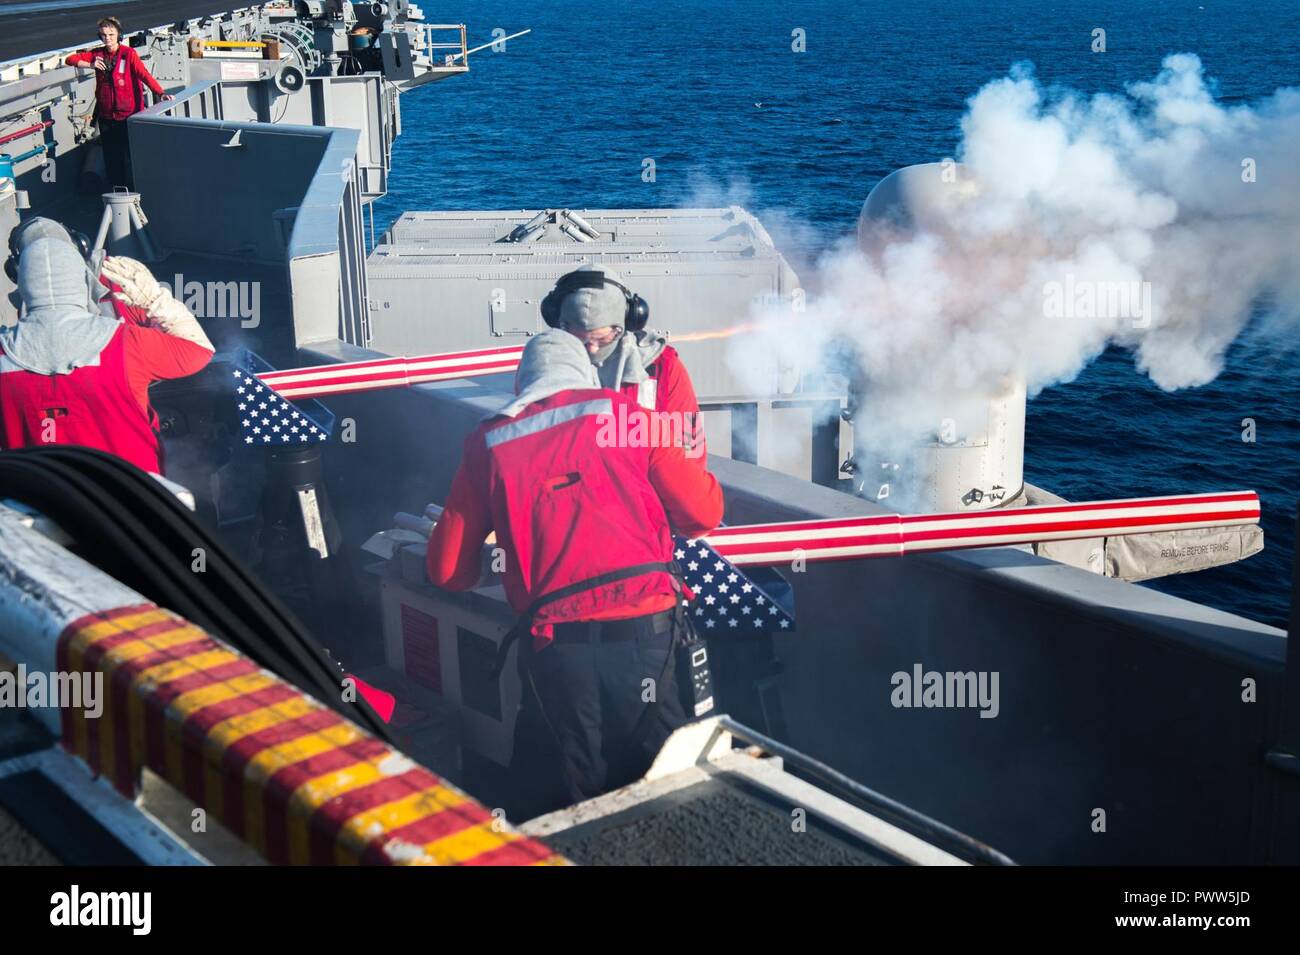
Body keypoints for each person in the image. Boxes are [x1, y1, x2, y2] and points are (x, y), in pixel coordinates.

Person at [426, 327, 723, 811]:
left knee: (574, 798)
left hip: (558, 656)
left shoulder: (490, 440)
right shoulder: (631, 418)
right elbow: (703, 515)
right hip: (649, 644)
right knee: (674, 788)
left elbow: (447, 571)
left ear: (523, 383)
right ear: (585, 375)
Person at [0, 218, 213, 474]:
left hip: (41, 505)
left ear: (21, 279)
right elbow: (197, 351)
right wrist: (156, 299)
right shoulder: (127, 343)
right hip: (129, 503)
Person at [542, 265, 708, 463]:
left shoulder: (664, 367)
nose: (593, 349)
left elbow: (691, 447)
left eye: (602, 339)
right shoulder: (545, 366)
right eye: (581, 340)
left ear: (627, 322)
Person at [64, 17, 174, 190]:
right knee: (112, 157)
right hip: (107, 116)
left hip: (129, 116)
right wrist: (91, 64)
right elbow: (70, 59)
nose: (107, 38)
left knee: (133, 154)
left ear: (118, 35)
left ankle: (140, 188)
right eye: (104, 35)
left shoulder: (128, 54)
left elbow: (144, 75)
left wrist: (160, 93)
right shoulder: (97, 54)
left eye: (111, 34)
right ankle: (118, 190)